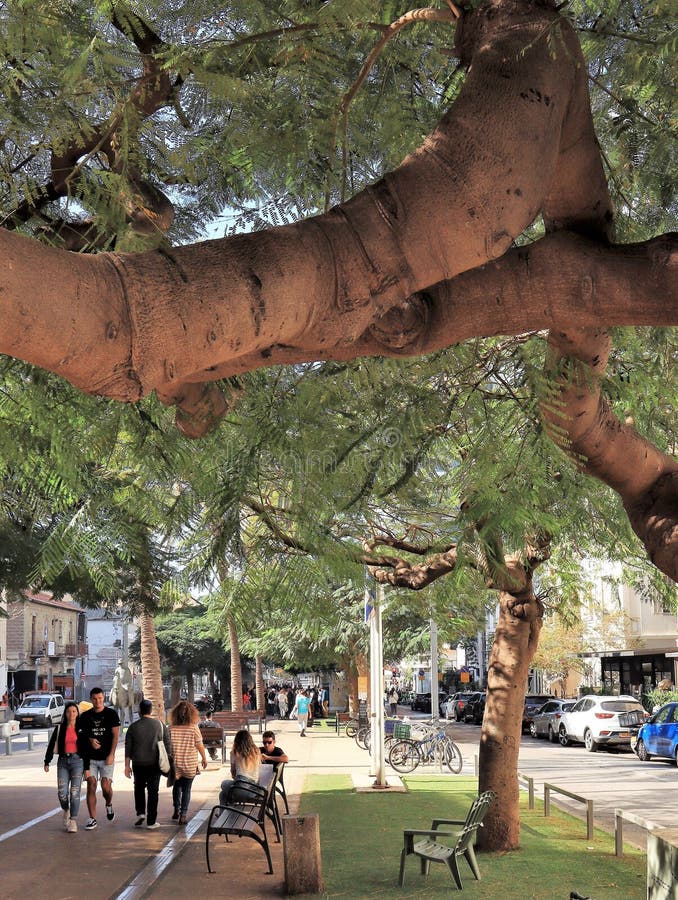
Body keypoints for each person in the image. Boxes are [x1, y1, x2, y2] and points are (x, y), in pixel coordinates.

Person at [124, 699, 171, 829]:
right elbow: (167, 745)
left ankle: (140, 813)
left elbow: (128, 748)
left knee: (138, 788)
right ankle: (151, 821)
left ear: (139, 710)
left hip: (138, 763)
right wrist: (169, 761)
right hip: (154, 764)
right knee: (153, 791)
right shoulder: (160, 725)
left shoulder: (133, 727)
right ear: (151, 710)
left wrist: (127, 766)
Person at [43, 701, 89, 833]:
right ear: (65, 713)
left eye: (74, 711)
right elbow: (52, 745)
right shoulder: (60, 728)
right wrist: (47, 761)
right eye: (69, 711)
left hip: (78, 762)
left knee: (75, 792)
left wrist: (86, 769)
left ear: (77, 713)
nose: (71, 714)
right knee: (62, 793)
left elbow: (86, 750)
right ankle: (66, 810)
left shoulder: (81, 728)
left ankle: (73, 821)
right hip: (62, 762)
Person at [79, 686, 120, 830]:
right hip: (90, 758)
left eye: (101, 698)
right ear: (91, 699)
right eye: (95, 699)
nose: (98, 701)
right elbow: (81, 736)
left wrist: (111, 755)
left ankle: (108, 804)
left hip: (106, 757)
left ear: (104, 698)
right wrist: (90, 739)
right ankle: (92, 818)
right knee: (91, 784)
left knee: (105, 786)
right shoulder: (85, 717)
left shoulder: (111, 714)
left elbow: (116, 736)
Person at [168, 700, 207, 825]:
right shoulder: (193, 728)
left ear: (175, 714)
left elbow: (167, 746)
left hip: (175, 763)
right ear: (192, 714)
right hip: (190, 763)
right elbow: (199, 745)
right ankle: (183, 815)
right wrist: (204, 758)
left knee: (176, 787)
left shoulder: (171, 728)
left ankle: (176, 809)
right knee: (187, 789)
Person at [218, 728, 261, 804]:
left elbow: (233, 772)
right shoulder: (256, 752)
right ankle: (225, 814)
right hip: (255, 789)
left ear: (236, 741)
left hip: (241, 790)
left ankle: (226, 814)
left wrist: (236, 780)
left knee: (223, 784)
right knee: (223, 795)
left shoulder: (234, 753)